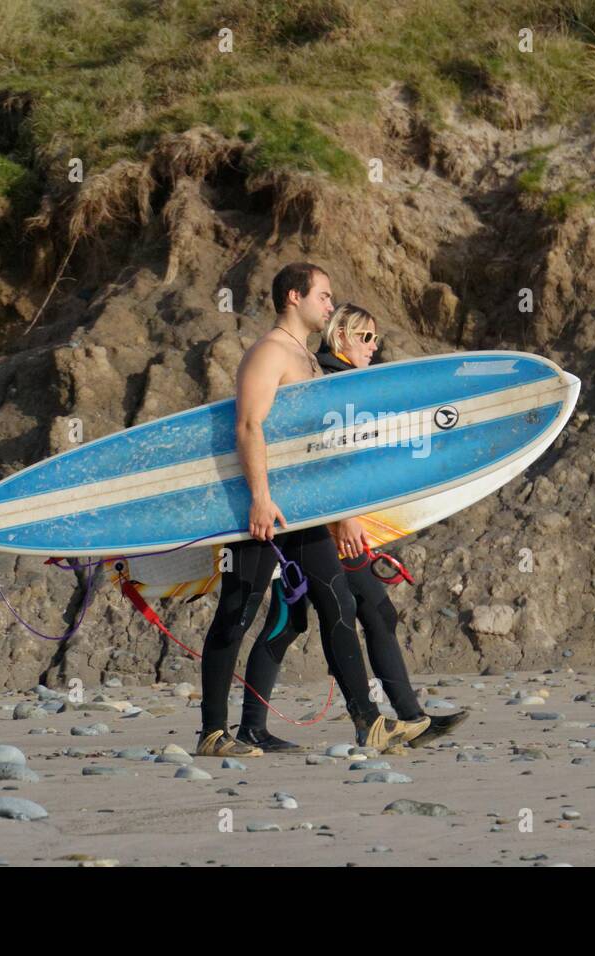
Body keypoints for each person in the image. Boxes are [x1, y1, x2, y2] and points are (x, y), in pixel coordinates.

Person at [195, 264, 431, 758]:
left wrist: (339, 508)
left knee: (338, 605)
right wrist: (260, 497)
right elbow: (247, 426)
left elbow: (317, 447)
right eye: (324, 296)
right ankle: (214, 733)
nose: (330, 305)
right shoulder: (269, 353)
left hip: (302, 510)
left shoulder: (307, 359)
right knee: (237, 612)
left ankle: (368, 723)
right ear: (294, 297)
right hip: (264, 509)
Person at [234, 304, 469, 754]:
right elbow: (314, 456)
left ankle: (411, 718)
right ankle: (252, 726)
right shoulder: (324, 378)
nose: (373, 346)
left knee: (373, 613)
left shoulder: (351, 383)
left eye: (375, 339)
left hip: (334, 522)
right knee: (288, 622)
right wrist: (342, 515)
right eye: (365, 337)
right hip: (309, 523)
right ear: (339, 336)